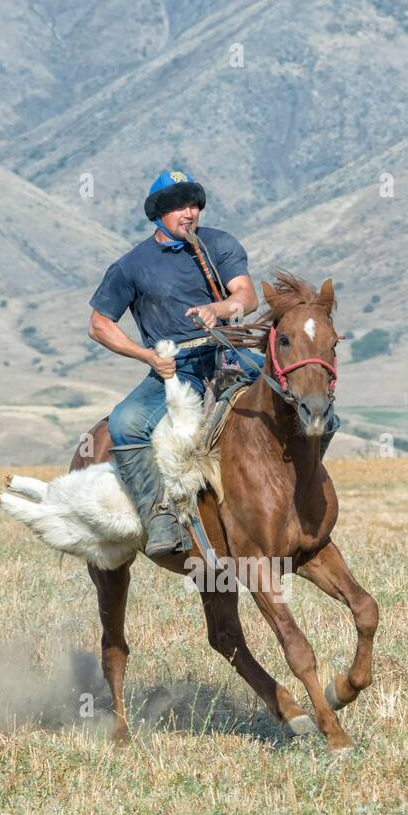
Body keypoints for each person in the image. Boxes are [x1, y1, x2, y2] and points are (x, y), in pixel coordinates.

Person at [87, 170, 264, 557]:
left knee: (292, 386)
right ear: (160, 215)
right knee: (125, 423)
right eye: (180, 206)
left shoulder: (218, 244)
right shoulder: (131, 266)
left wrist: (219, 309)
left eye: (194, 204)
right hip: (175, 367)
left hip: (227, 353)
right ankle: (159, 518)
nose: (190, 212)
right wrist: (147, 356)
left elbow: (246, 296)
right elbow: (99, 325)